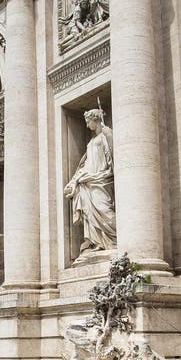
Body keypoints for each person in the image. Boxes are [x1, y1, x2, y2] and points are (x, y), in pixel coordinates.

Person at [64, 106, 117, 254]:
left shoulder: (105, 135)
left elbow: (112, 155)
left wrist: (109, 135)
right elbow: (85, 162)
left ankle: (113, 239)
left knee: (103, 208)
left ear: (96, 120)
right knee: (89, 211)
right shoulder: (92, 140)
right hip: (89, 178)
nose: (87, 125)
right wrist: (76, 179)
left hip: (101, 178)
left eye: (88, 122)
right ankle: (96, 242)